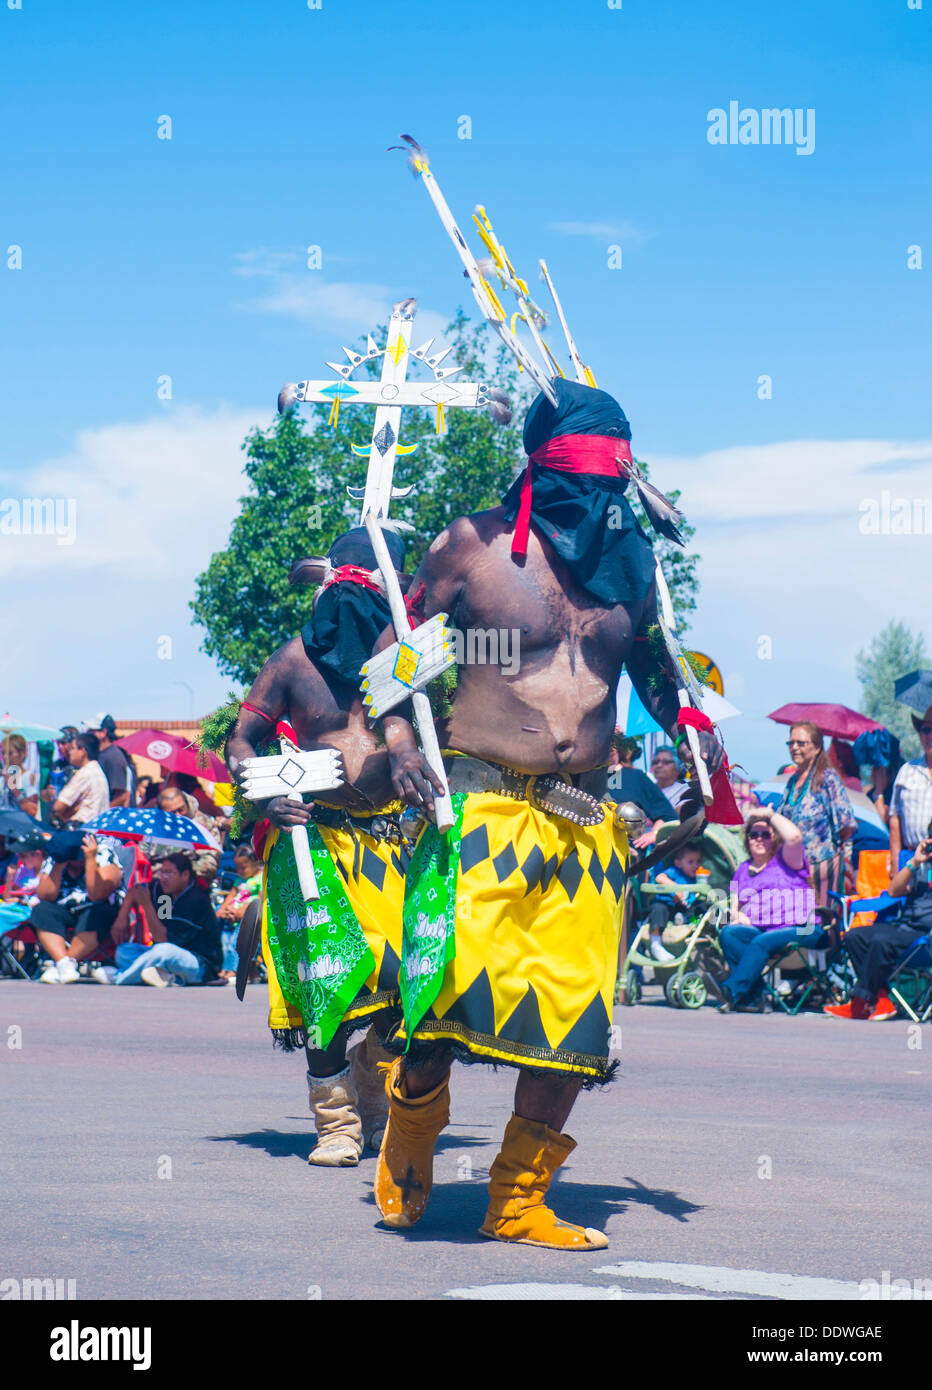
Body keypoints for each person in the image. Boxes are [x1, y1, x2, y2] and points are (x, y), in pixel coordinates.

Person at [372, 378, 732, 1249]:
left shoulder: (631, 566)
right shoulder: (475, 549)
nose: (599, 492)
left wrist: (695, 735)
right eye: (586, 469)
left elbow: (652, 665)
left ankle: (518, 1198)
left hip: (585, 822)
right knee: (443, 1001)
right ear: (540, 465)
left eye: (615, 474)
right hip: (482, 806)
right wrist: (398, 739)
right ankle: (413, 1124)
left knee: (576, 1023)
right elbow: (396, 648)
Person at [224, 527, 412, 1168]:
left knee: (409, 979)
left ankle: (372, 1077)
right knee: (326, 981)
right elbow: (240, 741)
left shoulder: (403, 660)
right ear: (325, 591)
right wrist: (266, 794)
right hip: (311, 842)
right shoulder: (291, 662)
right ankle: (337, 1125)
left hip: (387, 840)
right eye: (345, 596)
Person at [704, 806, 819, 1012]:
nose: (759, 839)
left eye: (765, 834)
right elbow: (734, 903)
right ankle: (756, 996)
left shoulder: (787, 860)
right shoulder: (742, 869)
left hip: (803, 928)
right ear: (747, 839)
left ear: (774, 838)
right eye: (753, 834)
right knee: (730, 934)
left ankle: (731, 990)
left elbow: (793, 837)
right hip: (764, 931)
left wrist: (768, 816)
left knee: (761, 941)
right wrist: (738, 915)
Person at [825, 828, 932, 1021]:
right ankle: (881, 1001)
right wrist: (914, 862)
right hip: (904, 927)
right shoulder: (923, 865)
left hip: (926, 935)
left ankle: (859, 1004)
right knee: (854, 936)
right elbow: (893, 891)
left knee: (881, 941)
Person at [96, 852, 223, 987]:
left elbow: (163, 939)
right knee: (124, 951)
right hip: (167, 956)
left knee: (163, 951)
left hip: (198, 964)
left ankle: (119, 977)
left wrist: (147, 905)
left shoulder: (195, 900)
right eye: (161, 872)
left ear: (185, 875)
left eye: (169, 873)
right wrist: (121, 918)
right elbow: (135, 890)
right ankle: (169, 977)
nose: (163, 878)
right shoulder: (166, 893)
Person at [777, 722, 856, 906]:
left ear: (817, 747)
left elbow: (845, 824)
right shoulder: (792, 782)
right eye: (791, 743)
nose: (794, 747)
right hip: (794, 868)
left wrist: (825, 857)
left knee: (822, 922)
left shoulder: (827, 778)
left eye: (801, 743)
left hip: (823, 867)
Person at [31, 830, 124, 983]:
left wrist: (90, 860)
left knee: (95, 914)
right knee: (42, 910)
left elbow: (97, 895)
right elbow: (45, 895)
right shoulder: (57, 857)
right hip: (64, 908)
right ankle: (63, 964)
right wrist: (60, 865)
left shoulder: (104, 854)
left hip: (96, 908)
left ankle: (68, 963)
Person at [606, 734, 674, 849]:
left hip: (628, 855)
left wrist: (654, 834)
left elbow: (667, 815)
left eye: (611, 749)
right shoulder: (582, 778)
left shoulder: (636, 777)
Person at [644, 842, 702, 962]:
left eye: (698, 861)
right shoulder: (675, 872)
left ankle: (688, 921)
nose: (695, 865)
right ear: (678, 863)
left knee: (699, 909)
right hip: (666, 906)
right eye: (691, 862)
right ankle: (656, 944)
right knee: (658, 909)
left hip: (681, 910)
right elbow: (659, 878)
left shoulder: (694, 879)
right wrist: (675, 888)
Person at [888, 705, 932, 863]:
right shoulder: (907, 771)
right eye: (926, 730)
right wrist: (895, 862)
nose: (930, 735)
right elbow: (894, 819)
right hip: (912, 860)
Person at [216, 843, 263, 980]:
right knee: (225, 942)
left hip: (246, 917)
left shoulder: (260, 878)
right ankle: (226, 968)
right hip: (232, 914)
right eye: (237, 867)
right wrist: (224, 908)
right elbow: (232, 894)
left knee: (236, 943)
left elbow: (260, 898)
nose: (240, 870)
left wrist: (241, 911)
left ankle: (236, 971)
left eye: (243, 867)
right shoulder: (240, 879)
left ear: (256, 863)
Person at [51, 734, 110, 826]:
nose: (70, 752)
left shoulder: (84, 774)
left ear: (83, 751)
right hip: (98, 828)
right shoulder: (98, 771)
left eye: (72, 748)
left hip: (81, 829)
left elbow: (58, 806)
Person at [852, 729, 903, 828]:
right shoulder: (870, 794)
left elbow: (882, 822)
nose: (873, 771)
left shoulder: (896, 795)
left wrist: (879, 792)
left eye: (878, 768)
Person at [86, 714, 136, 808]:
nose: (88, 733)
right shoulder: (101, 754)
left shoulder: (113, 757)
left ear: (103, 732)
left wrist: (102, 814)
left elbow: (122, 795)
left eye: (92, 731)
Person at [2, 734, 40, 818]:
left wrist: (15, 789)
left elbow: (32, 811)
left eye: (10, 753)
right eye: (3, 753)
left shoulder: (27, 777)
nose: (5, 757)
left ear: (22, 753)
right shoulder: (2, 778)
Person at [649, 745, 689, 812]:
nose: (659, 765)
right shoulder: (647, 789)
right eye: (656, 762)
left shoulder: (684, 791)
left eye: (666, 762)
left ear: (678, 767)